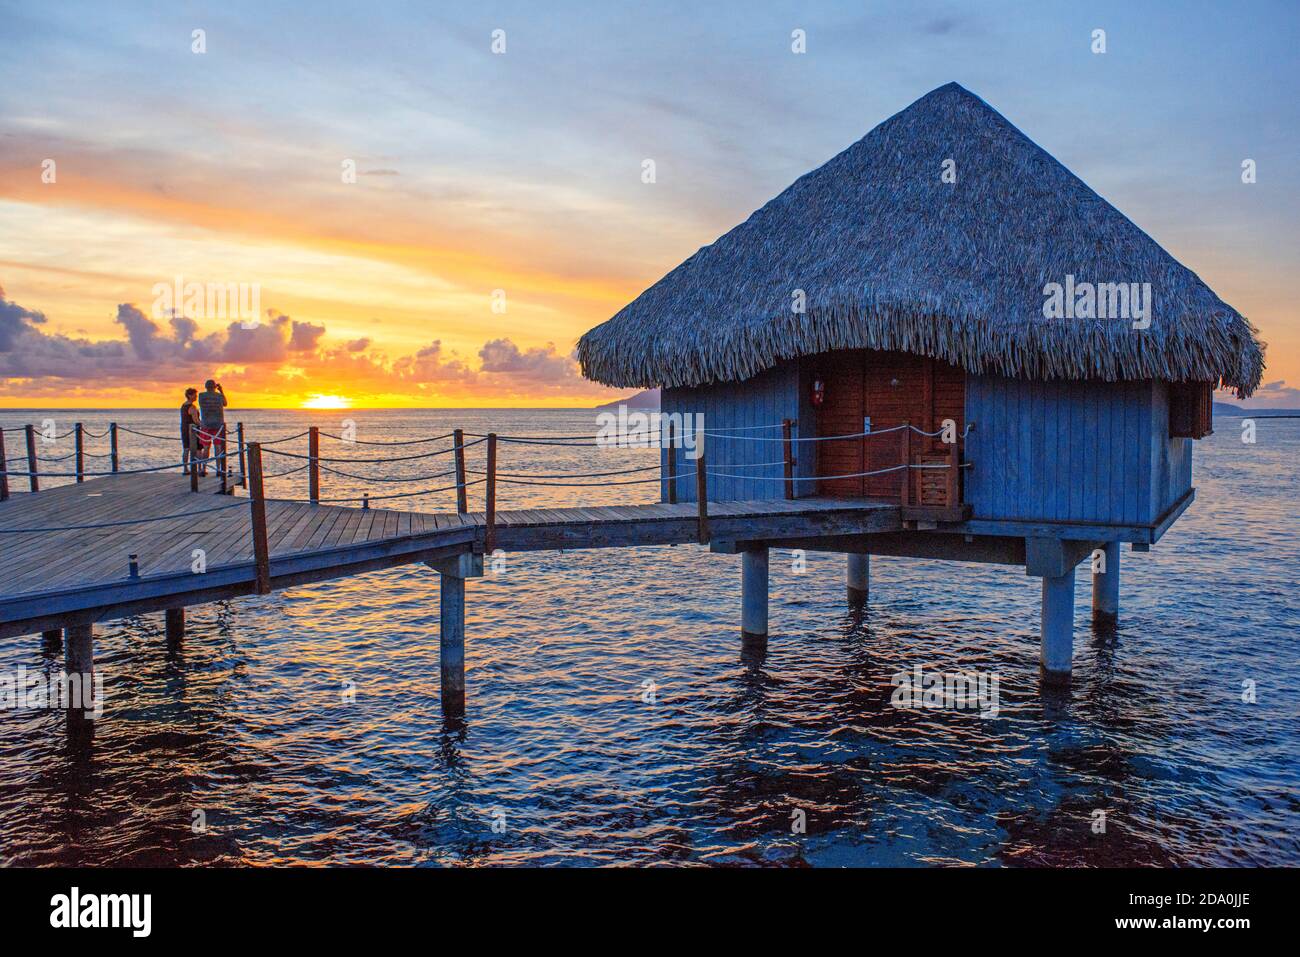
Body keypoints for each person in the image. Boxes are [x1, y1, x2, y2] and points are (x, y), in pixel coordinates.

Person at [196, 379, 228, 477]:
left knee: (206, 447)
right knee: (218, 447)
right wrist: (221, 391)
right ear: (215, 387)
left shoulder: (201, 396)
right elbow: (225, 403)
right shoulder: (219, 396)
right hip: (218, 424)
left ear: (206, 387)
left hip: (206, 424)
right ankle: (218, 469)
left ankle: (203, 468)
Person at [180, 388, 200, 474]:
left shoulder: (183, 405)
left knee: (186, 449)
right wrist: (205, 425)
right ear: (189, 395)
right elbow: (196, 421)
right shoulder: (192, 407)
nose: (196, 397)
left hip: (184, 428)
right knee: (198, 449)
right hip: (193, 430)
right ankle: (199, 468)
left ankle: (185, 469)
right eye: (195, 395)